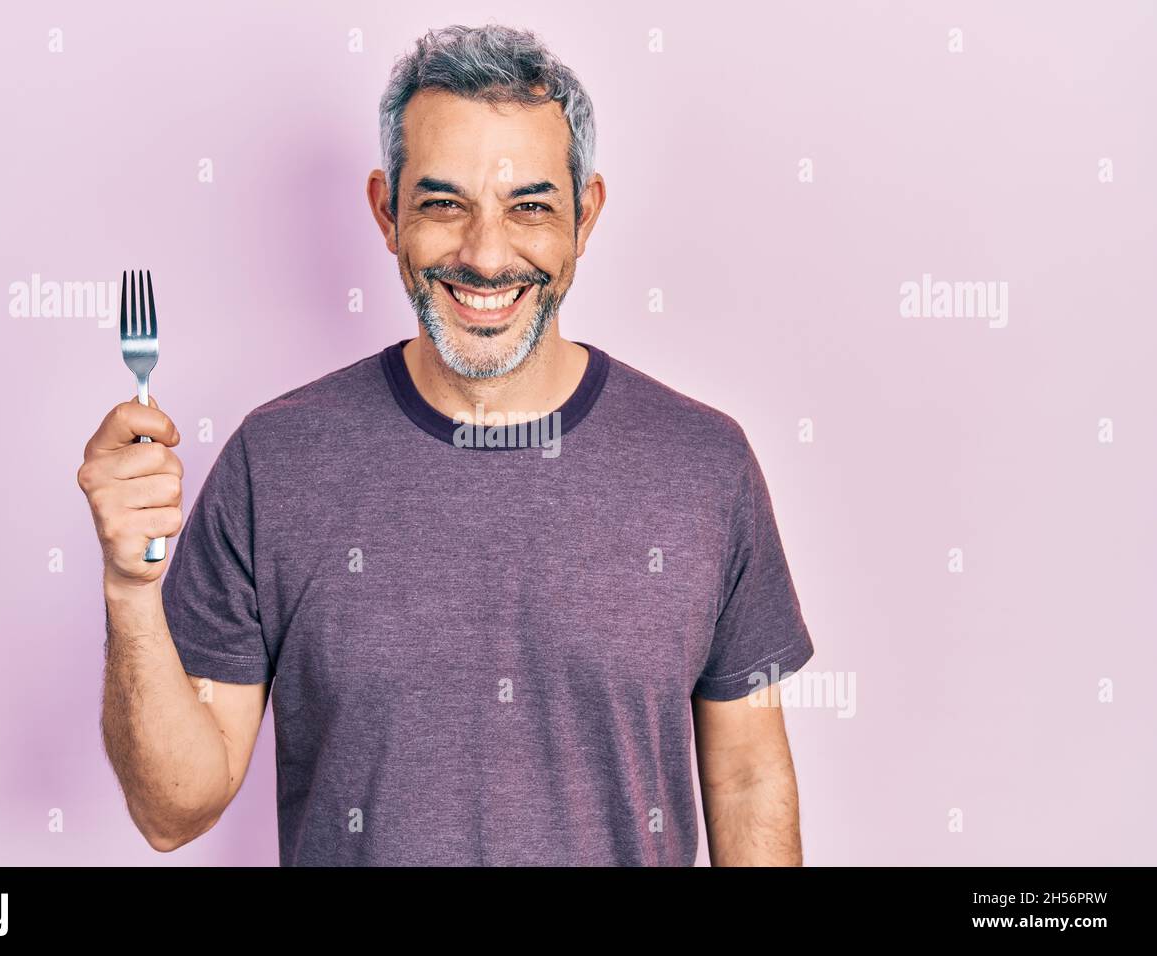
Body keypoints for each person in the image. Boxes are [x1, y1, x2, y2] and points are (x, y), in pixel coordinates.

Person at [76, 23, 815, 866]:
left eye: (530, 206)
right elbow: (174, 810)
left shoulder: (704, 466)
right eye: (442, 203)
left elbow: (749, 774)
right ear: (387, 213)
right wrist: (130, 592)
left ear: (587, 215)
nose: (486, 254)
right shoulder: (273, 462)